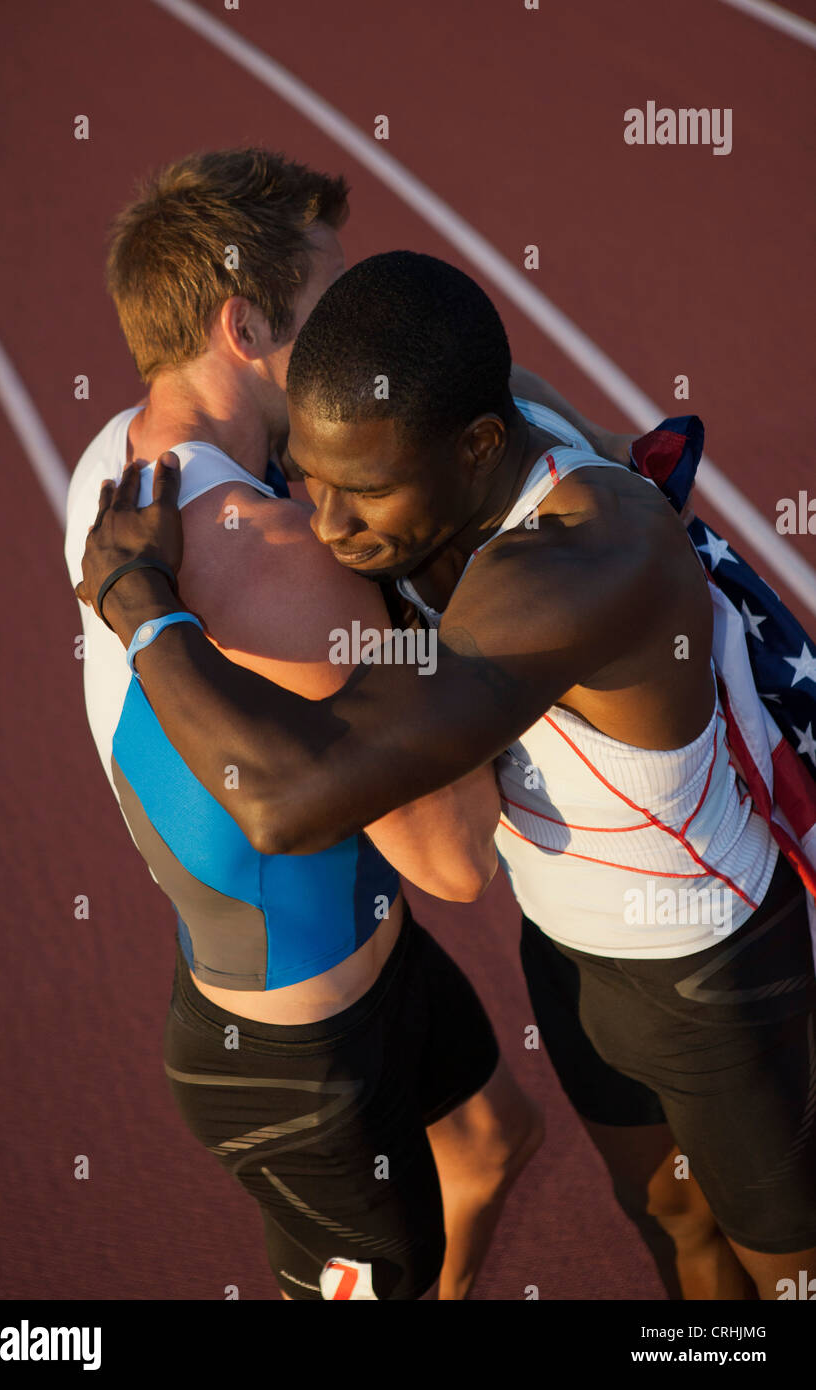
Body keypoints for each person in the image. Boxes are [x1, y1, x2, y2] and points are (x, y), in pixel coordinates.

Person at [75, 250, 816, 1301]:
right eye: (306, 473)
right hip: (566, 955)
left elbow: (286, 798)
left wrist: (142, 602)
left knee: (788, 1275)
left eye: (362, 492)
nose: (326, 526)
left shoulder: (572, 567)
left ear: (475, 447)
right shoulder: (455, 411)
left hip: (710, 971)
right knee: (670, 1220)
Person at [65, 152, 550, 1302]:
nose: (359, 337)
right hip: (301, 1069)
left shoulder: (125, 458)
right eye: (332, 310)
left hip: (351, 966)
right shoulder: (279, 561)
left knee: (488, 1144)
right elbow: (455, 859)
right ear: (243, 324)